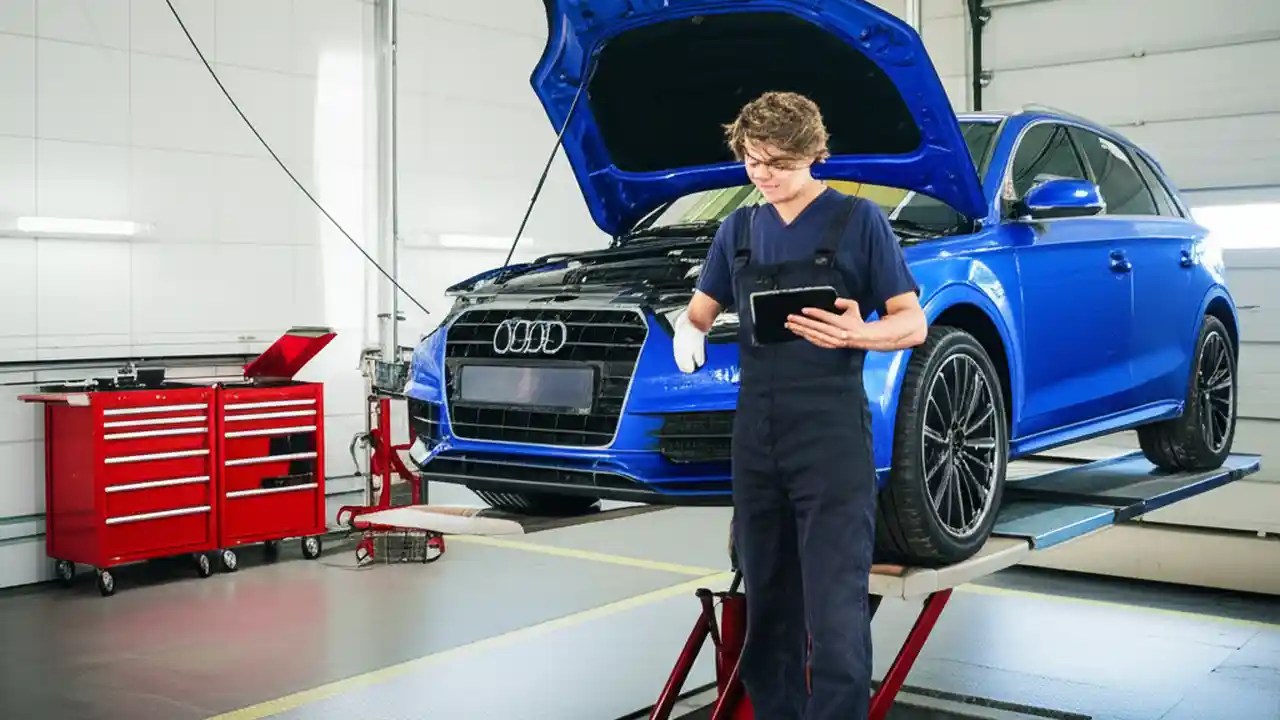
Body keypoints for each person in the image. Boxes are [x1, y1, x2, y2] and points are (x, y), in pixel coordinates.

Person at [671, 91, 927, 719]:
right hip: (756, 434)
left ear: (816, 154)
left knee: (835, 610)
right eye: (753, 160)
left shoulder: (859, 223)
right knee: (767, 604)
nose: (763, 174)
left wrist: (858, 332)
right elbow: (699, 311)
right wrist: (688, 332)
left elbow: (912, 322)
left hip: (831, 434)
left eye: (778, 163)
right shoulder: (737, 229)